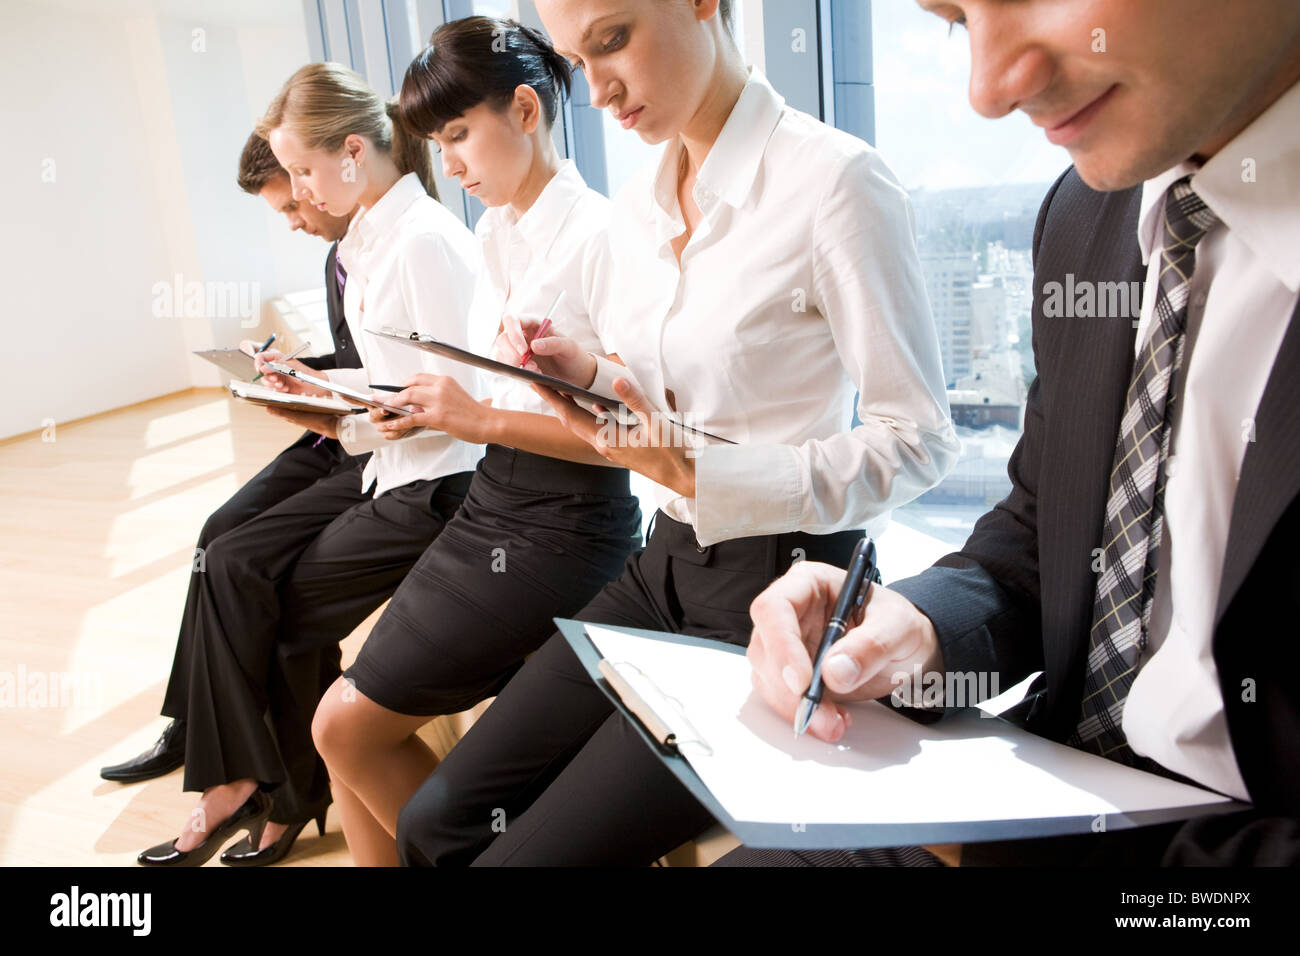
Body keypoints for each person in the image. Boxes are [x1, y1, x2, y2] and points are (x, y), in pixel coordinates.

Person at [729, 0, 1300, 866]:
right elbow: (1046, 529)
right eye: (956, 19)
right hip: (1033, 795)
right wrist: (916, 626)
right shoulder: (1087, 217)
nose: (989, 90)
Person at [394, 0, 960, 866]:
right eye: (580, 60)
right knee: (433, 820)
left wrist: (706, 477)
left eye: (614, 41)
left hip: (774, 594)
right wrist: (583, 372)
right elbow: (656, 399)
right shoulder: (643, 203)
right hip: (662, 564)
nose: (598, 88)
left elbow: (917, 440)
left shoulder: (834, 181)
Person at [309, 17, 644, 866]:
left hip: (568, 527)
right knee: (338, 725)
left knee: (345, 727)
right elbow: (490, 397)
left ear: (525, 111)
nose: (447, 165)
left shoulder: (603, 237)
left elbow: (630, 444)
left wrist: (476, 418)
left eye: (458, 136)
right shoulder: (497, 233)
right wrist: (423, 411)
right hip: (499, 501)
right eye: (437, 142)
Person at [135, 62, 483, 867]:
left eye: (298, 174)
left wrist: (341, 412)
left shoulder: (423, 243)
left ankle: (262, 785)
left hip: (432, 486)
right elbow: (400, 377)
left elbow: (461, 408)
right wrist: (324, 389)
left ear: (352, 153)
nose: (298, 196)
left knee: (260, 592)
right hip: (392, 469)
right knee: (238, 565)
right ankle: (255, 782)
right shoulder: (375, 244)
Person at [100, 132, 357, 786]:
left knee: (239, 558)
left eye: (294, 206)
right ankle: (189, 725)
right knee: (214, 531)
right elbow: (360, 363)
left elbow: (397, 378)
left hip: (370, 447)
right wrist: (296, 369)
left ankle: (247, 756)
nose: (295, 220)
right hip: (335, 435)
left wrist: (315, 384)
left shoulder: (394, 250)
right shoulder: (338, 257)